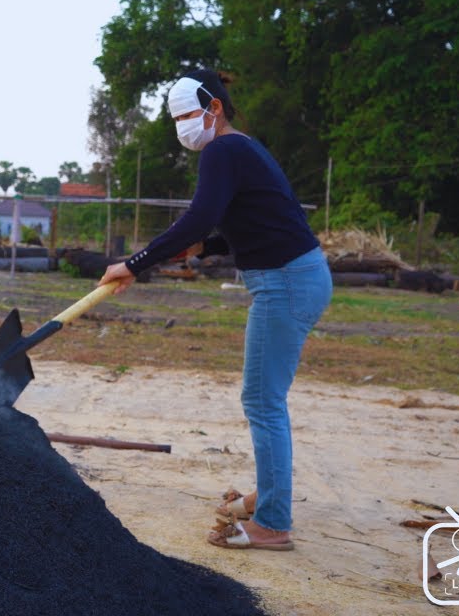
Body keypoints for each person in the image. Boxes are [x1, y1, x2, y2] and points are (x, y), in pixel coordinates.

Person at [97, 68, 332, 551]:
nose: (182, 126)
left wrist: (134, 263)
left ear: (215, 108)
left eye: (187, 114)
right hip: (298, 276)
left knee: (263, 402)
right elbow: (259, 219)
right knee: (265, 399)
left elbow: (199, 217)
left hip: (286, 282)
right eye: (176, 120)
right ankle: (269, 498)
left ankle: (273, 524)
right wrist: (207, 246)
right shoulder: (244, 148)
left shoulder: (223, 150)